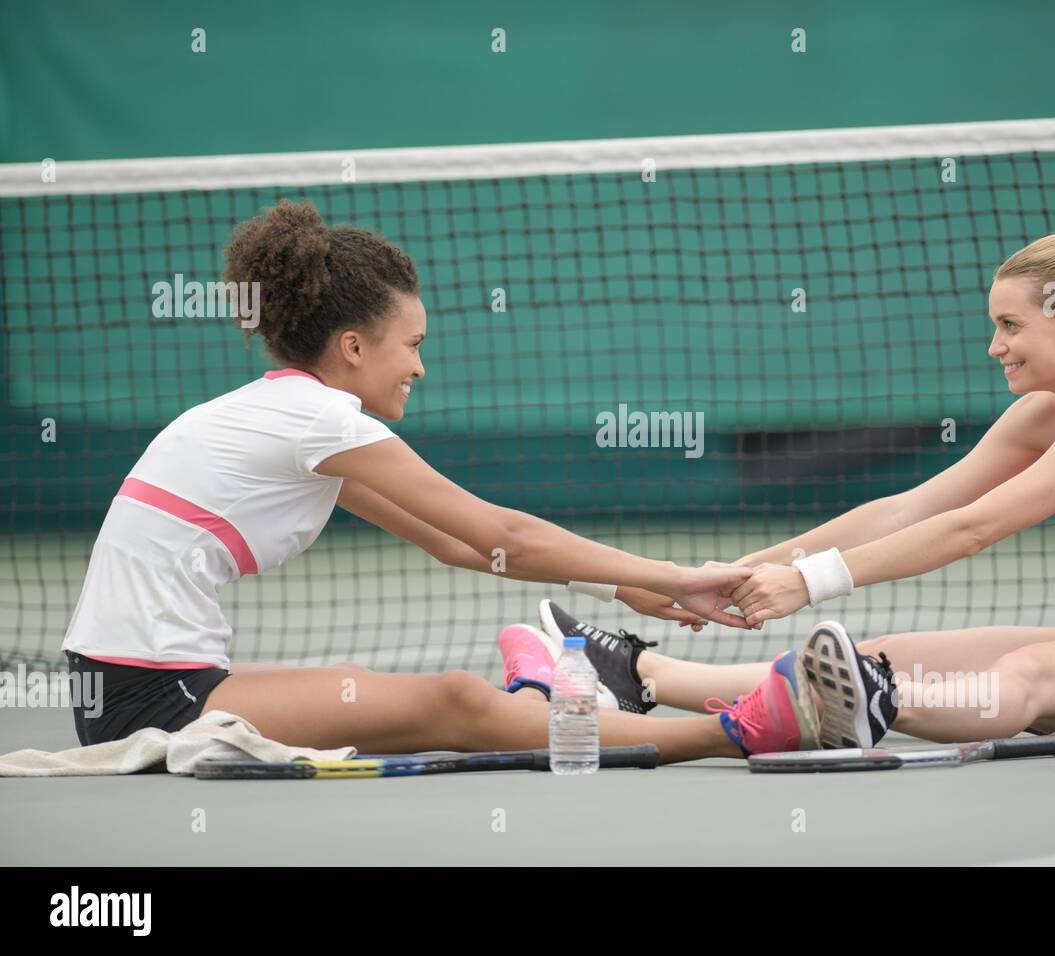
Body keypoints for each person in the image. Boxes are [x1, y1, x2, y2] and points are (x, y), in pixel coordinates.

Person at [60, 199, 839, 763]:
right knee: (454, 703)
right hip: (153, 702)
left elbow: (455, 547)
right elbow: (499, 534)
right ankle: (738, 728)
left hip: (153, 681)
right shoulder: (319, 421)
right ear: (355, 347)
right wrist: (673, 575)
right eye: (413, 343)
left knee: (364, 688)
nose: (422, 366)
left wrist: (628, 590)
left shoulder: (287, 418)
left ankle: (551, 688)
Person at [541, 231, 1055, 749]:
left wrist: (810, 582)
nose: (995, 346)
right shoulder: (1048, 414)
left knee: (1029, 678)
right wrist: (714, 578)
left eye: (1009, 325)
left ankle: (871, 705)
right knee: (887, 650)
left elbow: (973, 529)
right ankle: (641, 672)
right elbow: (911, 509)